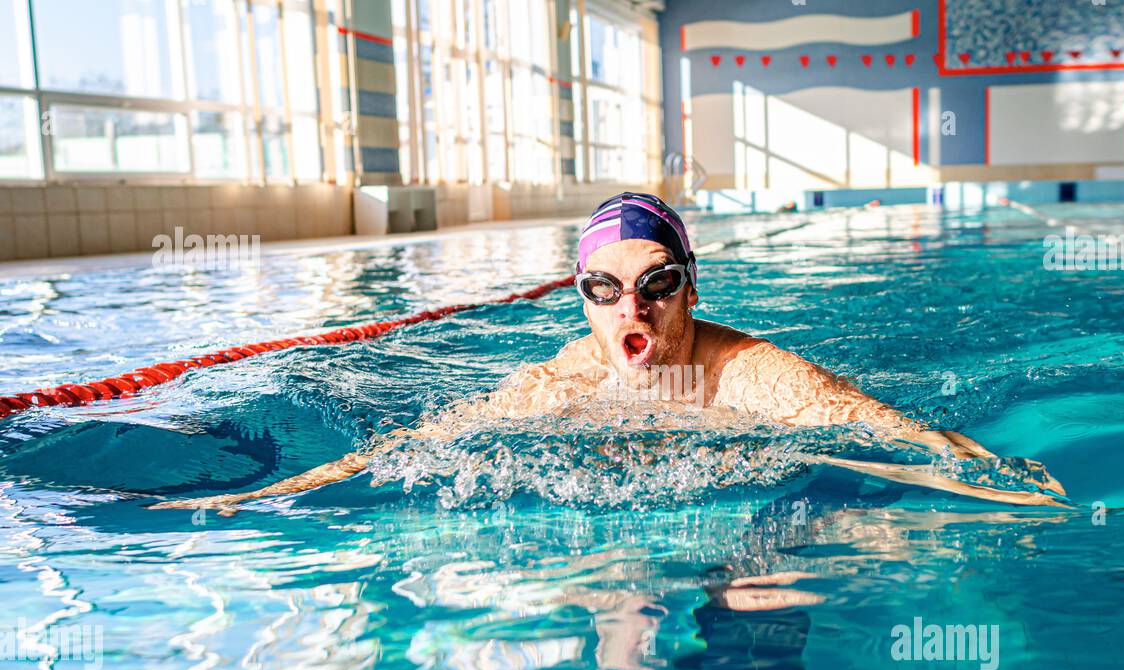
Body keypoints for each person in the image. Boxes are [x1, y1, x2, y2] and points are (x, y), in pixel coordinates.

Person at [152, 192, 1065, 514]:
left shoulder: (749, 373)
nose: (635, 306)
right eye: (606, 288)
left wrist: (1002, 486)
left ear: (693, 290)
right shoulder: (561, 380)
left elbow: (902, 435)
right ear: (582, 301)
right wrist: (272, 493)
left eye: (659, 282)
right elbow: (416, 446)